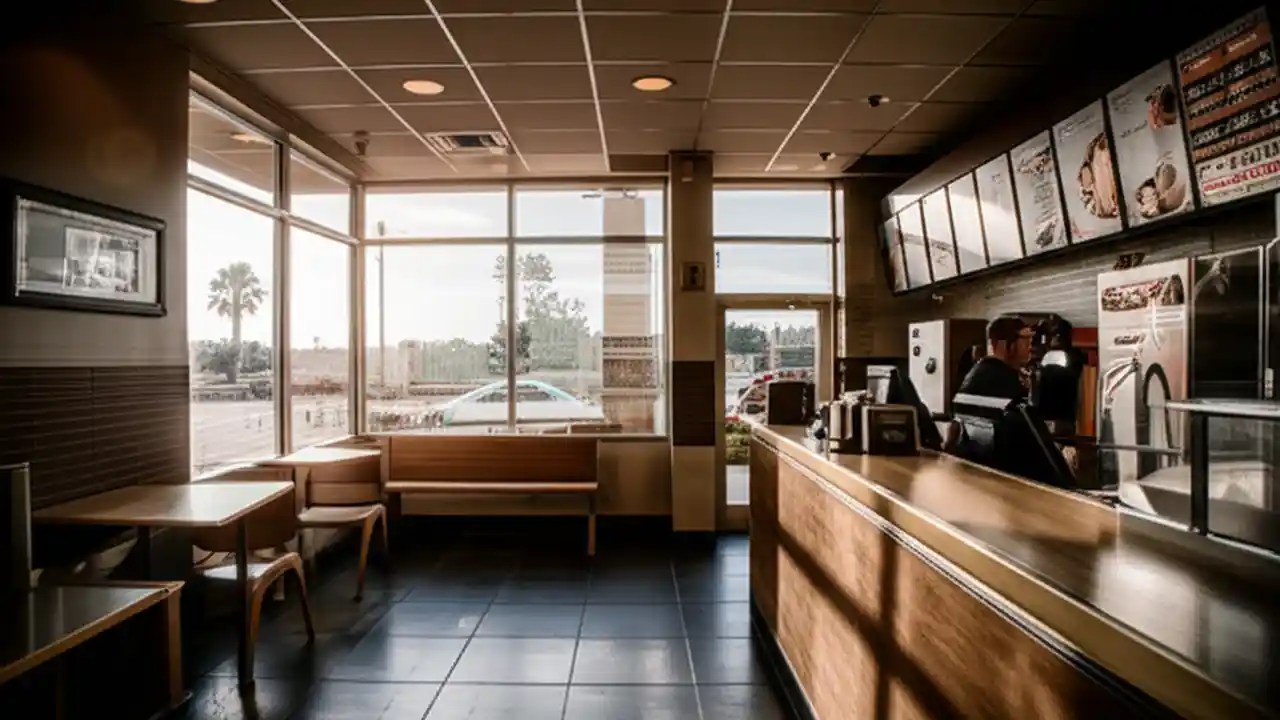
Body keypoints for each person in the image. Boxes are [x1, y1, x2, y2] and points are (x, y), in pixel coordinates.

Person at [955, 315, 1032, 401]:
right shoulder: (1001, 379)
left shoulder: (981, 370)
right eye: (1026, 341)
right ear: (1003, 343)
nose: (1030, 347)